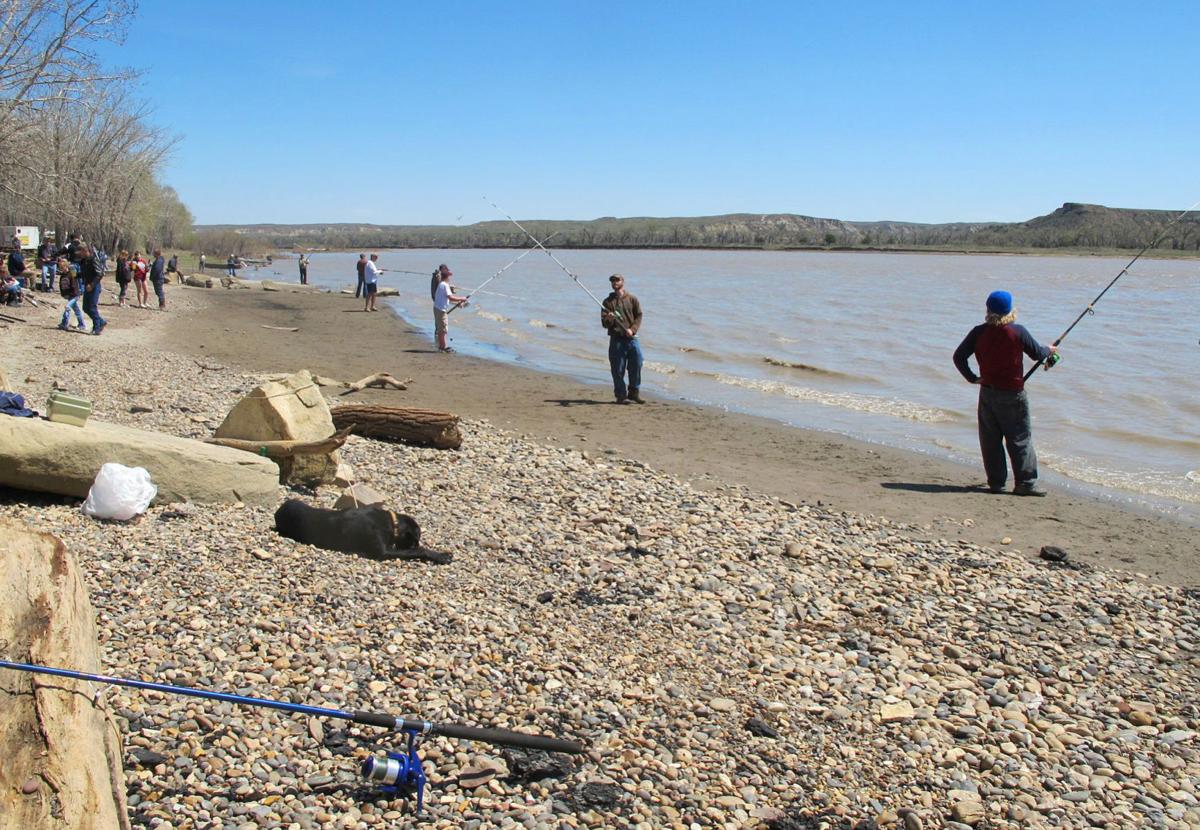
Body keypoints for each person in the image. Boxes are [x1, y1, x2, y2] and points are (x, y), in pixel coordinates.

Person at [953, 290, 1058, 496]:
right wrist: (1049, 349)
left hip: (987, 393)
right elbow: (1038, 353)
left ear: (988, 309)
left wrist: (973, 378)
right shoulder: (1017, 331)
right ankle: (1025, 483)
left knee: (990, 438)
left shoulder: (978, 332)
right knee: (1019, 437)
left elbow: (958, 357)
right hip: (1013, 394)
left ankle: (996, 482)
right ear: (1010, 309)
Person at [600, 273, 644, 404]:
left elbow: (639, 316)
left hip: (632, 339)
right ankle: (621, 396)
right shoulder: (607, 302)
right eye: (612, 281)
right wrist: (610, 318)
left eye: (617, 280)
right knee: (617, 369)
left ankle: (634, 393)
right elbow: (604, 324)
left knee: (637, 363)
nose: (615, 283)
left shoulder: (632, 299)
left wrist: (632, 329)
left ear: (623, 281)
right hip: (616, 340)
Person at [432, 266, 468, 352]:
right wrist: (461, 298)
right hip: (441, 310)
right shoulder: (445, 285)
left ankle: (442, 346)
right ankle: (443, 347)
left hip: (437, 308)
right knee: (444, 329)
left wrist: (457, 302)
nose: (450, 278)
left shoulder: (441, 284)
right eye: (449, 276)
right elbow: (450, 297)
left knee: (441, 329)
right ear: (447, 277)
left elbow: (446, 298)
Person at [77, 244, 106, 335]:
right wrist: (76, 275)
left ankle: (96, 328)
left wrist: (92, 285)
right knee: (85, 307)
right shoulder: (83, 261)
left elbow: (100, 274)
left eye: (81, 252)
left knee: (92, 307)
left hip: (94, 286)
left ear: (86, 251)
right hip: (87, 285)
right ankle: (101, 321)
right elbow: (84, 273)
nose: (79, 254)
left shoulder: (93, 260)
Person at [57, 255, 85, 329]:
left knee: (67, 307)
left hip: (75, 294)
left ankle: (64, 323)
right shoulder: (62, 276)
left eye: (63, 268)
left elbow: (76, 282)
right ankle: (82, 324)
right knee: (77, 310)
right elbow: (62, 286)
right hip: (69, 296)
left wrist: (80, 290)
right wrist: (63, 294)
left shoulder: (72, 273)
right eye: (61, 268)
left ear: (66, 266)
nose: (62, 269)